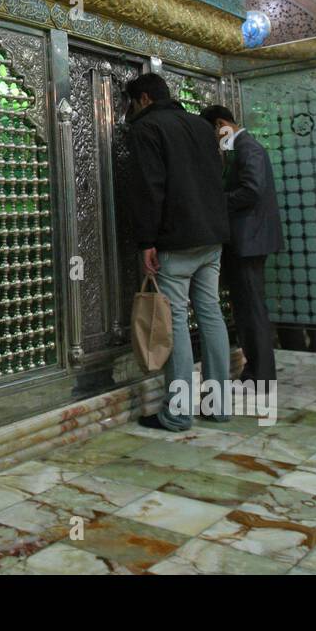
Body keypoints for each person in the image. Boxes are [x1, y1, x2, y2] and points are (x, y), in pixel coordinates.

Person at [122, 73, 231, 432]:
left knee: (177, 323)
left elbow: (149, 188)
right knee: (211, 314)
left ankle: (179, 412)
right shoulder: (201, 126)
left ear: (142, 99)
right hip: (211, 239)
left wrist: (146, 241)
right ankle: (218, 405)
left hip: (175, 241)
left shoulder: (147, 128)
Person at [200, 104, 283, 384]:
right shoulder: (241, 148)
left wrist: (214, 203)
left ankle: (260, 374)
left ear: (221, 123)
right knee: (247, 309)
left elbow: (251, 190)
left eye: (214, 133)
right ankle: (256, 370)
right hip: (246, 241)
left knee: (251, 310)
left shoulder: (248, 148)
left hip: (249, 242)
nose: (215, 140)